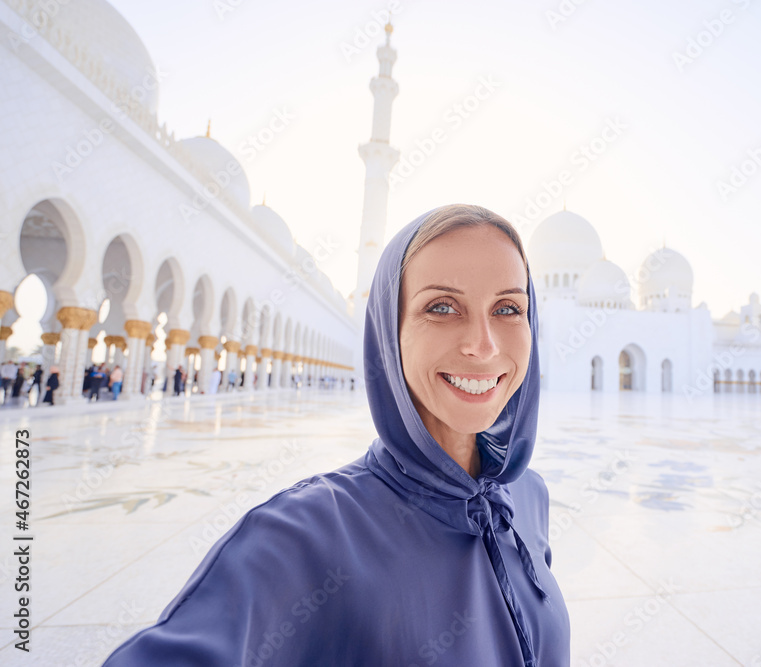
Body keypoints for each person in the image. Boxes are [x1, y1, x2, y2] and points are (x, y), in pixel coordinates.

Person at [103, 204, 570, 665]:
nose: (482, 345)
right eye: (442, 307)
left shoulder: (525, 497)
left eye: (508, 308)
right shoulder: (307, 536)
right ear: (389, 330)